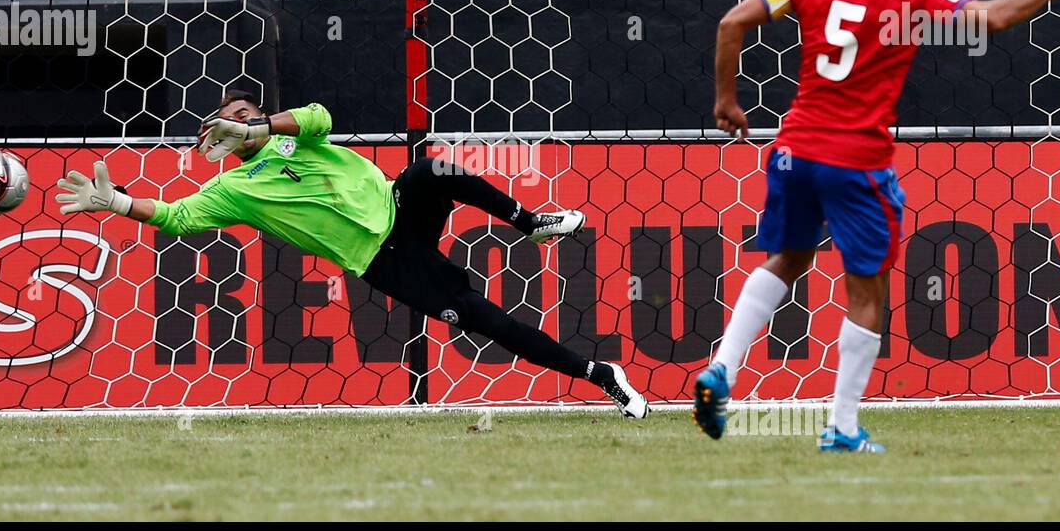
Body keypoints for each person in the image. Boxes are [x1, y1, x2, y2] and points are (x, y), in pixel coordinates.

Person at [697, 0, 1060, 452]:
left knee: (787, 258)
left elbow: (731, 22)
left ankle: (723, 368)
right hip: (855, 161)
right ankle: (840, 428)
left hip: (794, 150)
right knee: (867, 291)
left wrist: (725, 101)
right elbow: (993, 18)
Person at [57, 91, 649, 418]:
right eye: (227, 122)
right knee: (483, 319)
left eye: (245, 116)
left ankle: (530, 222)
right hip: (383, 260)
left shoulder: (288, 135)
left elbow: (321, 116)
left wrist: (260, 125)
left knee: (431, 169)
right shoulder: (229, 190)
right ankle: (601, 376)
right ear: (213, 138)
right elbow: (178, 217)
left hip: (398, 206)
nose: (238, 125)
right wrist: (116, 201)